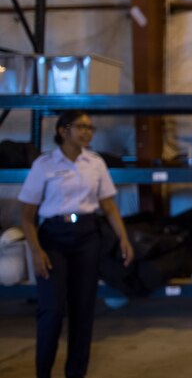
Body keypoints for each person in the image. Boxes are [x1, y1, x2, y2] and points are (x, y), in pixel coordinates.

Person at [18, 110, 134, 378]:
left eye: (90, 128)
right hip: (54, 239)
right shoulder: (44, 165)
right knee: (52, 310)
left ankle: (75, 372)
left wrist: (124, 238)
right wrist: (36, 251)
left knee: (83, 310)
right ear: (63, 131)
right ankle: (43, 372)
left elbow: (108, 206)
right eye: (80, 127)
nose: (87, 132)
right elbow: (26, 216)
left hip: (87, 237)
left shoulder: (95, 163)